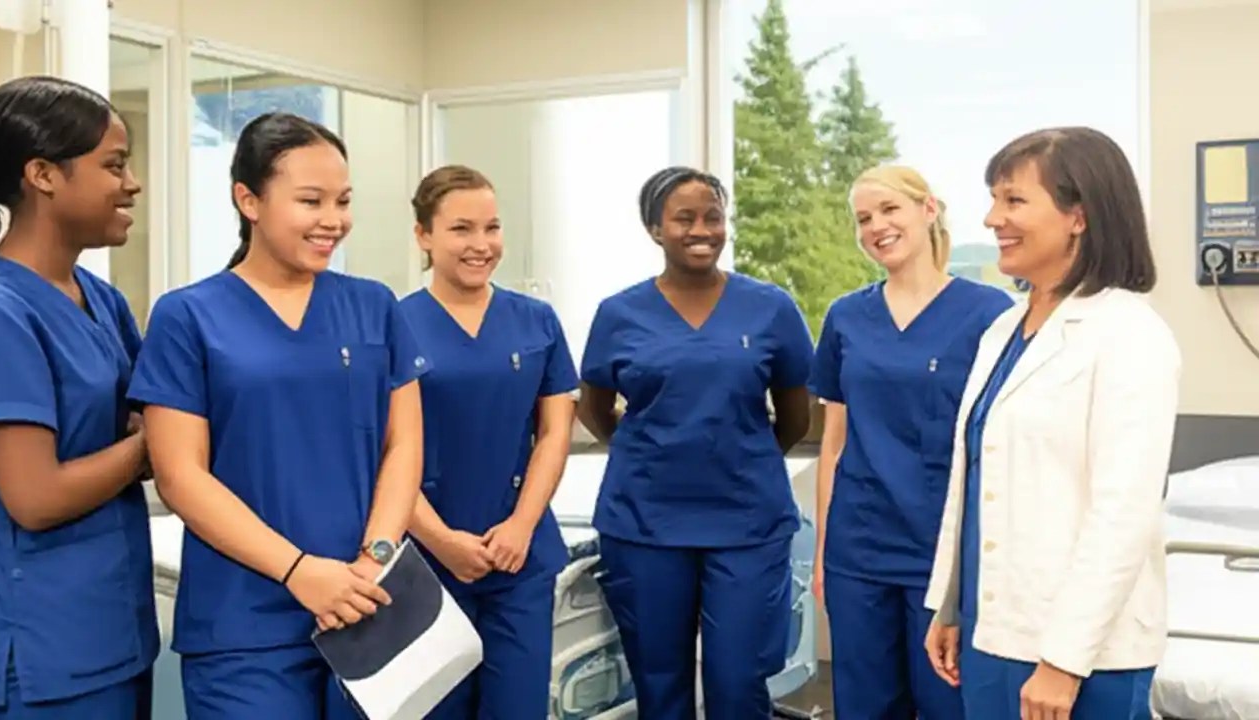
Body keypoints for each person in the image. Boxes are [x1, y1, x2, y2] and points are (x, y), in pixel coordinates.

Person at [127, 112, 426, 719]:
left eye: (343, 201)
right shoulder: (188, 317)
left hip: (368, 605)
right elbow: (180, 474)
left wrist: (376, 558)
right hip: (245, 625)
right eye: (310, 200)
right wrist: (297, 571)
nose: (333, 220)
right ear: (248, 199)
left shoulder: (373, 306)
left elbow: (404, 444)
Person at [923, 127, 1179, 720]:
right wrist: (953, 607)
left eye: (1013, 200)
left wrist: (1063, 662)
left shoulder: (1129, 334)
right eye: (993, 199)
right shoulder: (1002, 330)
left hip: (1082, 651)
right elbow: (975, 481)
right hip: (994, 632)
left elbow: (1123, 513)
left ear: (1078, 216)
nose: (991, 218)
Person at [577, 166, 813, 719]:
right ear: (655, 229)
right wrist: (646, 452)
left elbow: (796, 416)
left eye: (713, 217)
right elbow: (593, 406)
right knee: (660, 684)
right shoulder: (619, 313)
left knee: (739, 681)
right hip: (645, 523)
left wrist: (739, 458)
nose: (701, 229)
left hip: (746, 523)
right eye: (684, 218)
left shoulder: (770, 307)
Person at [0, 76, 158, 719]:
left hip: (115, 636)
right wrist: (146, 449)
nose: (131, 182)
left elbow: (152, 415)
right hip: (42, 656)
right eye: (113, 165)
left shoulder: (101, 299)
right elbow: (36, 496)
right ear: (43, 175)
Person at [809, 165, 1013, 719]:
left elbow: (1001, 446)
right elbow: (834, 445)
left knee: (949, 704)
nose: (876, 226)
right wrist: (825, 551)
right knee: (865, 706)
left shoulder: (991, 315)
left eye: (889, 209)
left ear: (928, 210)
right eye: (863, 219)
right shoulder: (847, 317)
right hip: (860, 547)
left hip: (945, 552)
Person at [398, 165, 578, 719]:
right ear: (424, 236)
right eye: (461, 229)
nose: (481, 245)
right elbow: (383, 453)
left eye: (492, 228)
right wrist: (442, 539)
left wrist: (522, 525)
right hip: (424, 559)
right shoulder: (394, 324)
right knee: (436, 709)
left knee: (517, 708)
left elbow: (554, 434)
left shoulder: (536, 321)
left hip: (516, 557)